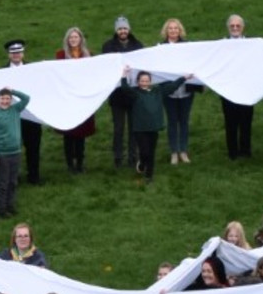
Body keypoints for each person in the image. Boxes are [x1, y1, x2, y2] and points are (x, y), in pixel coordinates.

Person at [122, 68, 191, 180]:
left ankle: (149, 176)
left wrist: (184, 78)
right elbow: (125, 88)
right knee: (144, 152)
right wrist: (124, 75)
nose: (144, 83)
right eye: (142, 81)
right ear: (138, 82)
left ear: (151, 81)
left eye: (147, 81)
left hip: (153, 128)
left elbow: (172, 86)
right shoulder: (135, 93)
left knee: (151, 152)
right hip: (140, 129)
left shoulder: (158, 92)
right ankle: (142, 163)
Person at [100, 16, 145, 169]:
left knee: (134, 128)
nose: (123, 31)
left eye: (125, 28)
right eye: (120, 29)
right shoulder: (108, 46)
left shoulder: (138, 45)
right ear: (116, 30)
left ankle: (133, 157)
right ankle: (118, 157)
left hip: (133, 93)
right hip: (117, 94)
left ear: (129, 29)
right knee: (118, 128)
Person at [157, 18, 199, 164]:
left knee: (184, 121)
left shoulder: (188, 47)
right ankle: (174, 152)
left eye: (176, 28)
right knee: (172, 121)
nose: (173, 31)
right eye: (170, 28)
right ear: (166, 31)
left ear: (180, 31)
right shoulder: (160, 48)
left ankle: (183, 150)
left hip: (186, 90)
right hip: (169, 91)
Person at [55, 28, 97, 174]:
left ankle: (79, 162)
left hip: (83, 99)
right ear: (67, 39)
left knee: (81, 134)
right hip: (67, 99)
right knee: (69, 133)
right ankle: (69, 164)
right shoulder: (61, 56)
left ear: (80, 39)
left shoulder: (88, 55)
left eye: (76, 37)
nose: (73, 39)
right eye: (71, 37)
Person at [2, 41, 43, 184]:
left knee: (33, 147)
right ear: (9, 54)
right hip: (12, 116)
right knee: (12, 148)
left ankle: (34, 176)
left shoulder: (33, 69)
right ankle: (13, 177)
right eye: (13, 53)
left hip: (32, 115)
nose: (16, 55)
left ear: (23, 53)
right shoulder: (1, 72)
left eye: (18, 52)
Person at [0, 87, 31, 217]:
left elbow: (27, 98)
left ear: (11, 100)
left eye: (7, 99)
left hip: (16, 152)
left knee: (13, 181)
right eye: (2, 99)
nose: (5, 101)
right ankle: (1, 209)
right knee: (3, 182)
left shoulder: (15, 110)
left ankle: (10, 205)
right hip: (2, 154)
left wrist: (13, 91)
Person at [220, 14, 255, 160]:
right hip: (227, 89)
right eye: (232, 26)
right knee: (230, 122)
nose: (235, 28)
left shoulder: (251, 44)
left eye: (238, 26)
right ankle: (232, 152)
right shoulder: (221, 45)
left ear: (243, 27)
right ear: (228, 27)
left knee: (246, 121)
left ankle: (245, 150)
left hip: (247, 89)